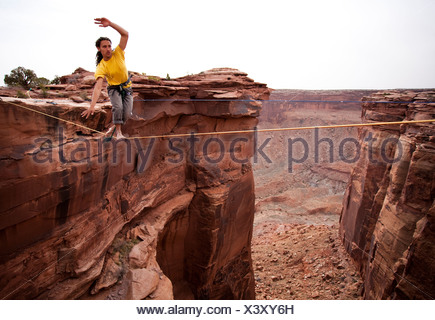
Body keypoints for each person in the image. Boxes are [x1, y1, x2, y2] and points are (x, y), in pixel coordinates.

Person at [81, 17, 132, 139]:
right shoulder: (101, 66)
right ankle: (118, 133)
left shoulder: (118, 53)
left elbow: (125, 34)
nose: (108, 49)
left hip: (127, 87)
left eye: (109, 46)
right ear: (99, 48)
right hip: (114, 89)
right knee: (118, 108)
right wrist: (92, 106)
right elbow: (98, 86)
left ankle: (113, 128)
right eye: (104, 46)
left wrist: (110, 24)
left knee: (127, 114)